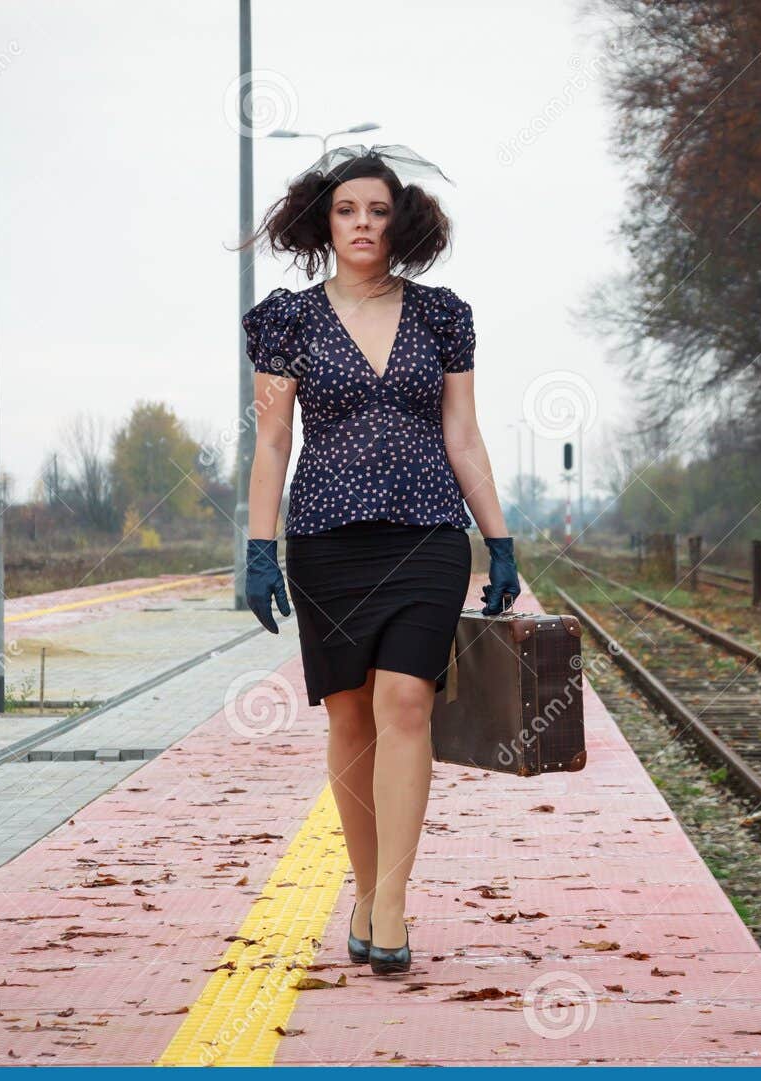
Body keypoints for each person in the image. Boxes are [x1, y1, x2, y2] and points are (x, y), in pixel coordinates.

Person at [237, 144, 520, 975]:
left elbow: (462, 434)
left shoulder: (442, 316)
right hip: (326, 544)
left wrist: (498, 540)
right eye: (347, 210)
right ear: (325, 222)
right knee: (350, 716)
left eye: (378, 210)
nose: (363, 223)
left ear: (401, 222)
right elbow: (273, 441)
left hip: (429, 534)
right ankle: (364, 892)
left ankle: (390, 904)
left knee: (405, 703)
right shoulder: (285, 320)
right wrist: (259, 547)